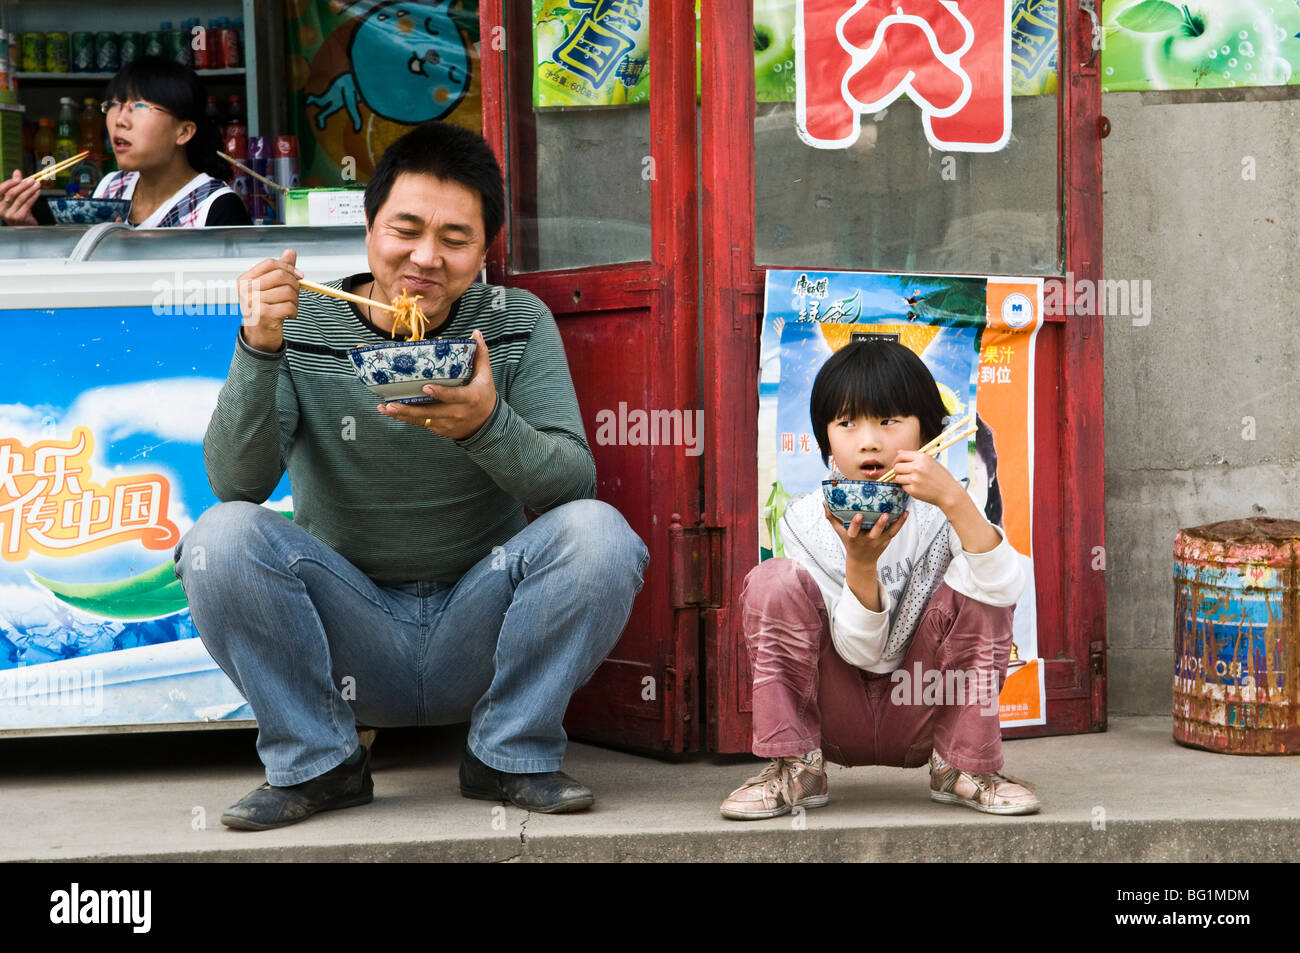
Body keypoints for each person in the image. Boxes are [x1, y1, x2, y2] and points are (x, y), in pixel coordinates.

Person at [173, 120, 648, 831]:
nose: (426, 259)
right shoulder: (304, 323)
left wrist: (488, 425)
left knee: (600, 534)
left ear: (485, 250)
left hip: (477, 622)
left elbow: (568, 484)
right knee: (221, 536)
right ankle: (319, 763)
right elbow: (236, 481)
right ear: (369, 228)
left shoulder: (513, 321)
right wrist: (258, 345)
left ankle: (509, 753)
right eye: (406, 229)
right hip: (348, 626)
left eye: (455, 240)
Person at [720, 340, 1039, 819]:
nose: (868, 441)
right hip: (834, 716)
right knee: (772, 581)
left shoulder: (948, 508)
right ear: (825, 439)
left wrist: (955, 501)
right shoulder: (807, 521)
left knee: (981, 582)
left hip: (927, 712)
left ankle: (962, 767)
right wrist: (861, 565)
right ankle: (796, 767)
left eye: (889, 421)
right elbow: (862, 653)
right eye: (846, 423)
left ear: (928, 430)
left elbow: (1005, 591)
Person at [0, 56, 250, 228]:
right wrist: (26, 228)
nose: (119, 120)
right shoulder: (111, 188)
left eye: (138, 107)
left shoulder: (217, 208)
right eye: (113, 105)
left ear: (183, 132)